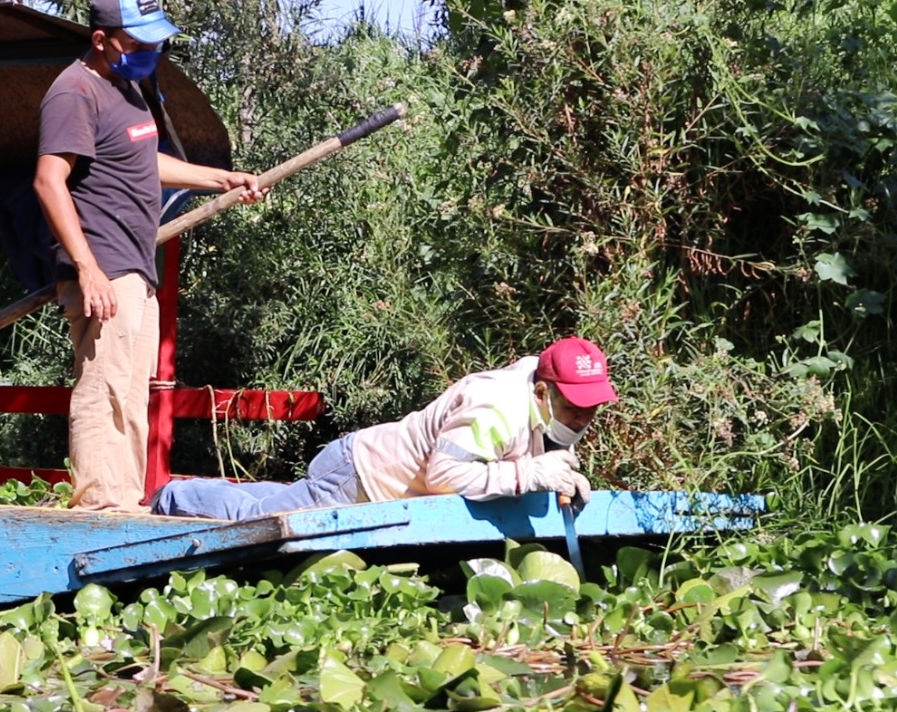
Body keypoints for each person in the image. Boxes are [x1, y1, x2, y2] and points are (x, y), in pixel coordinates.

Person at [33, 0, 266, 512]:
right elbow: (49, 181)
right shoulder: (75, 93)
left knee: (134, 393)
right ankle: (98, 508)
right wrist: (88, 269)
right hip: (105, 266)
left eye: (155, 41)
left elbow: (144, 160)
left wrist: (220, 179)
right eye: (138, 43)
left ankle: (127, 503)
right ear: (102, 40)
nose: (150, 52)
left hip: (136, 267)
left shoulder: (128, 90)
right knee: (105, 387)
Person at [151, 336, 618, 519]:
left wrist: (559, 474)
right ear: (541, 392)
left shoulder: (539, 405)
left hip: (378, 480)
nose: (582, 416)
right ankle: (172, 496)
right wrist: (528, 476)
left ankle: (273, 492)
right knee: (255, 520)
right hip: (361, 477)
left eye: (591, 406)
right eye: (573, 405)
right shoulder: (496, 406)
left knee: (276, 501)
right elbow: (446, 477)